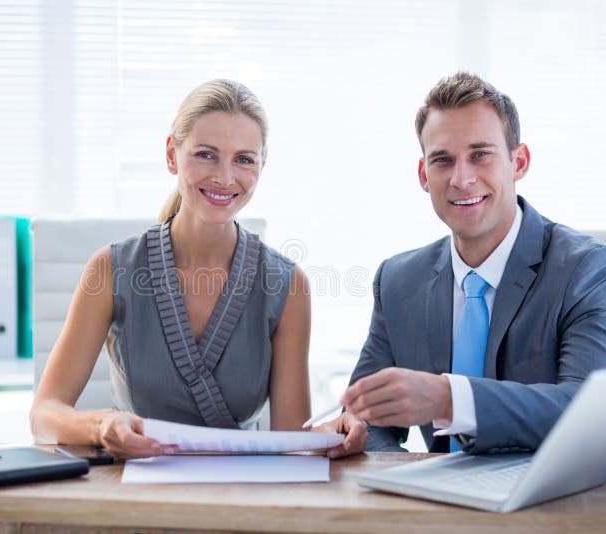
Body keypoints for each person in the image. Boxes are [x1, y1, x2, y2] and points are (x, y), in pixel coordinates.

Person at [30, 79, 366, 459]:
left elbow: (290, 436)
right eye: (206, 154)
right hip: (135, 486)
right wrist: (102, 424)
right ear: (172, 154)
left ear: (261, 167)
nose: (224, 177)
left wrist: (331, 433)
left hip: (241, 490)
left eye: (244, 159)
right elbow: (44, 414)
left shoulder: (287, 286)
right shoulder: (110, 270)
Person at [338, 72, 606, 454]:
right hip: (436, 507)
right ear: (424, 176)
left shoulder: (592, 272)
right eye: (443, 160)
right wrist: (408, 479)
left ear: (519, 162)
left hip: (549, 503)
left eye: (480, 155)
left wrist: (450, 399)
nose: (461, 178)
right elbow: (365, 419)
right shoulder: (397, 281)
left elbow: (594, 415)